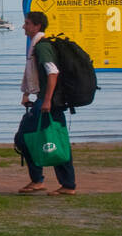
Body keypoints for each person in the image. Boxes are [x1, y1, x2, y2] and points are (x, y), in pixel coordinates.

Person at [15, 11, 77, 195]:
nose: (23, 26)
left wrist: (47, 100)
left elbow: (52, 72)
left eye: (27, 23)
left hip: (50, 101)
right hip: (45, 99)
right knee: (47, 139)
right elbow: (35, 74)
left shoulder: (41, 47)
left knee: (32, 138)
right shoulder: (37, 46)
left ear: (37, 26)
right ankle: (47, 181)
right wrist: (27, 94)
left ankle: (56, 183)